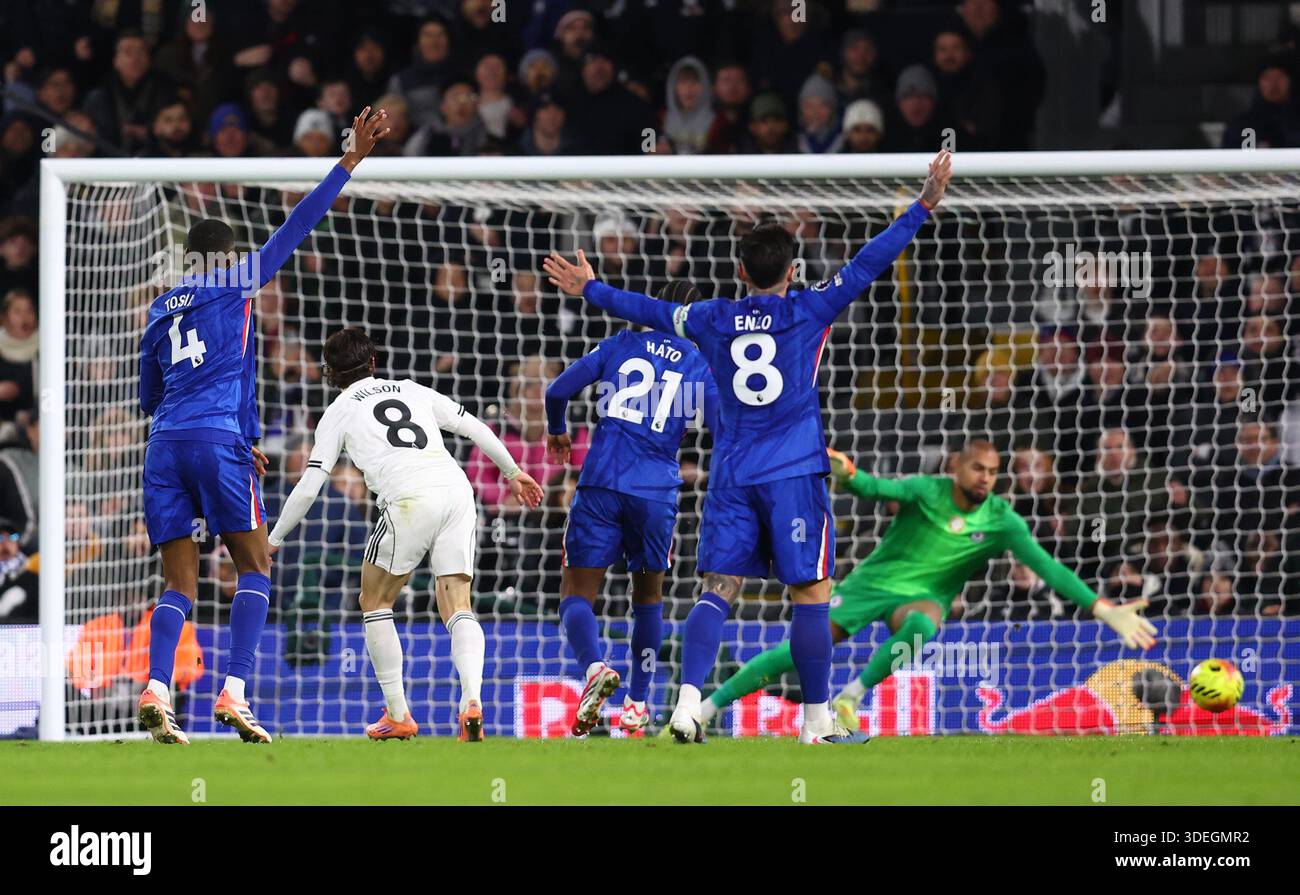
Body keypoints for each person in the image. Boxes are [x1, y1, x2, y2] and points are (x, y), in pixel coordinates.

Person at [544, 150, 953, 745]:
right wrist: (922, 204)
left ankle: (686, 705)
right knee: (812, 593)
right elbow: (869, 263)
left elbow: (649, 310)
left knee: (718, 590)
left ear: (739, 272)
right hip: (792, 471)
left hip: (731, 474)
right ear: (793, 270)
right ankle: (816, 725)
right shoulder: (811, 307)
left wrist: (592, 288)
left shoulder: (711, 317)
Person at [134, 107, 390, 747]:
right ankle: (235, 691)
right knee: (255, 567)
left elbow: (149, 397)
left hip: (164, 446)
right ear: (225, 259)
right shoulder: (237, 282)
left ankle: (158, 688)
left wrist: (244, 435)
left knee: (179, 583)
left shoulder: (157, 312)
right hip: (215, 441)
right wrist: (348, 162)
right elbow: (297, 225)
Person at [702, 444, 1159, 732]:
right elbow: (875, 488)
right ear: (957, 467)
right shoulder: (926, 489)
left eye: (993, 472)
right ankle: (707, 708)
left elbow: (1049, 568)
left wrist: (1103, 609)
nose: (985, 478)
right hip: (870, 585)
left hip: (921, 598)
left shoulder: (1002, 520)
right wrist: (848, 475)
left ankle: (851, 697)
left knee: (924, 626)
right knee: (800, 650)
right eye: (978, 468)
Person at [267, 329, 543, 742]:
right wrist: (512, 471)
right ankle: (471, 699)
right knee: (457, 603)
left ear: (330, 374)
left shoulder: (339, 411)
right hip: (456, 491)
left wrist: (273, 540)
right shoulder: (413, 389)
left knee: (374, 600)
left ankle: (398, 714)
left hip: (409, 499)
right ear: (373, 364)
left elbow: (310, 485)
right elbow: (473, 427)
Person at [544, 281, 719, 736]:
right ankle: (638, 703)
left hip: (602, 481)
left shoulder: (621, 344)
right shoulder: (702, 362)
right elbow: (723, 425)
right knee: (648, 599)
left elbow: (557, 390)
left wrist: (558, 429)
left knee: (576, 593)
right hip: (656, 492)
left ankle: (594, 669)